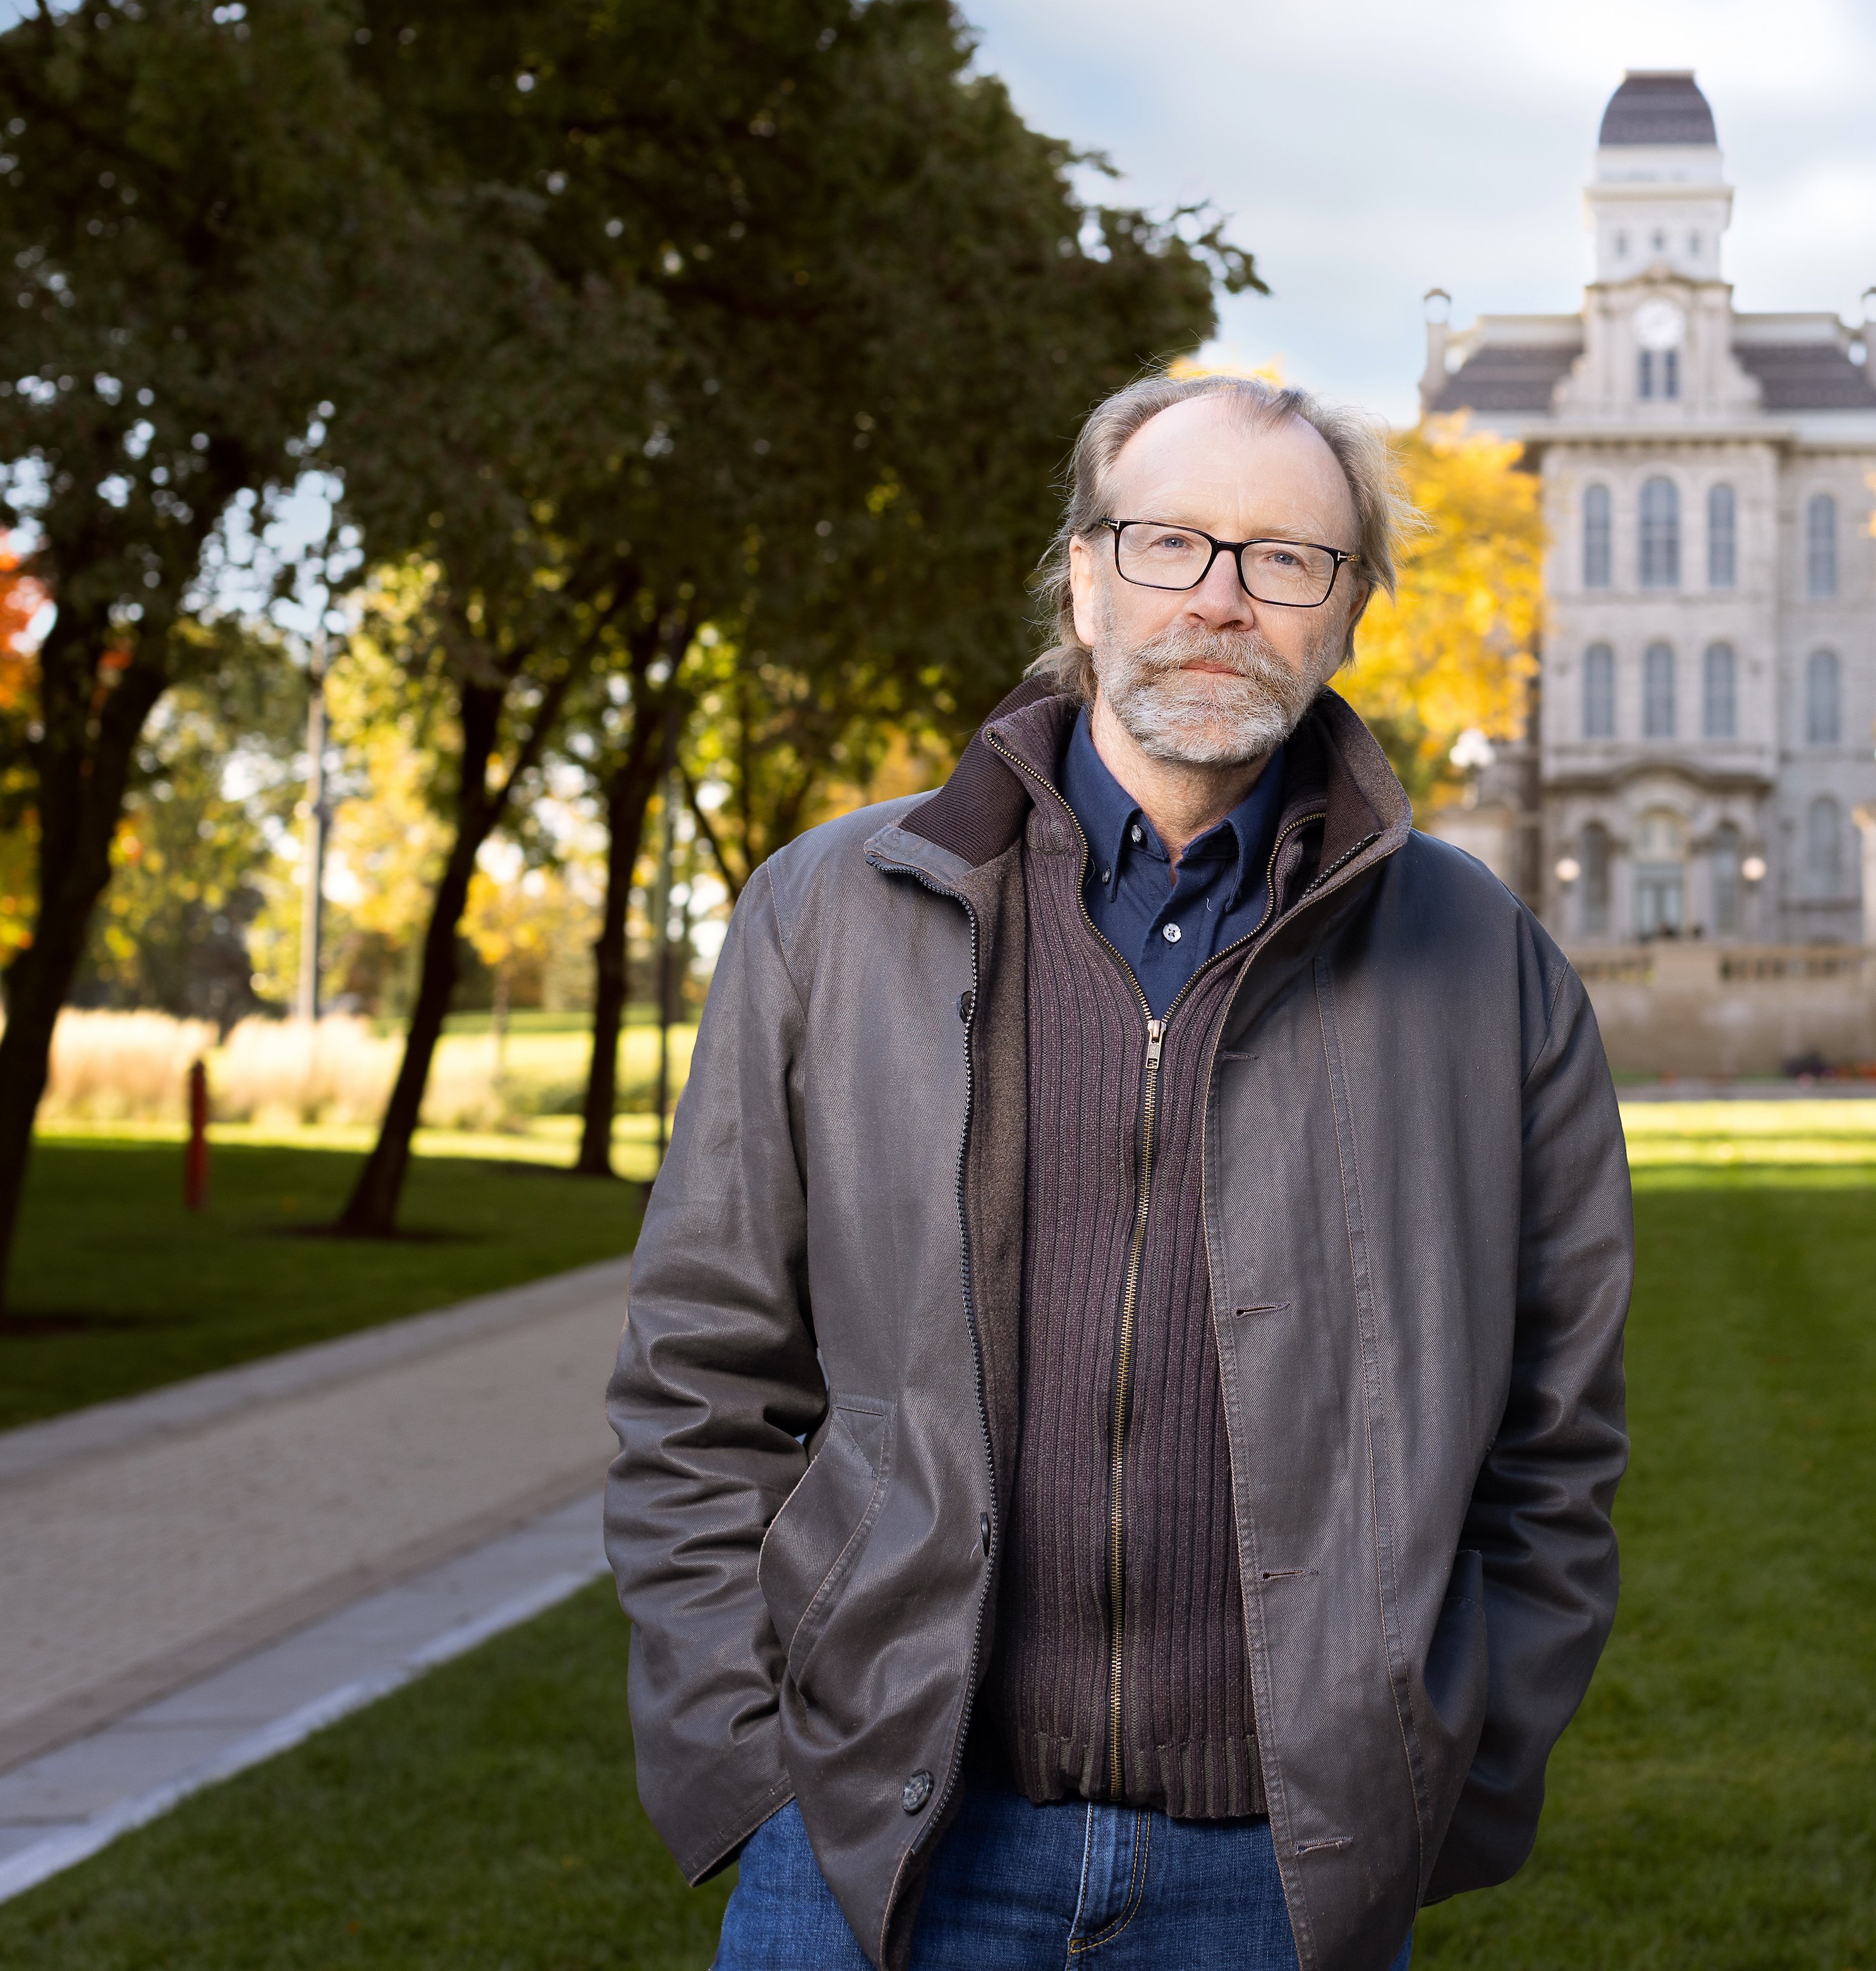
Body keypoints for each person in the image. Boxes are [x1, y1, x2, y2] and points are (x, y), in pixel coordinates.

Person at [606, 373, 1634, 1971]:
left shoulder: (1486, 965)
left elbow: (1555, 1440)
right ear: (1084, 577)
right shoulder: (831, 915)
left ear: (1349, 611)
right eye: (1172, 544)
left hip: (1277, 1881)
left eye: (1290, 559)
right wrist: (756, 1766)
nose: (1222, 600)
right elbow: (699, 1376)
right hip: (880, 1842)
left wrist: (1448, 1765)